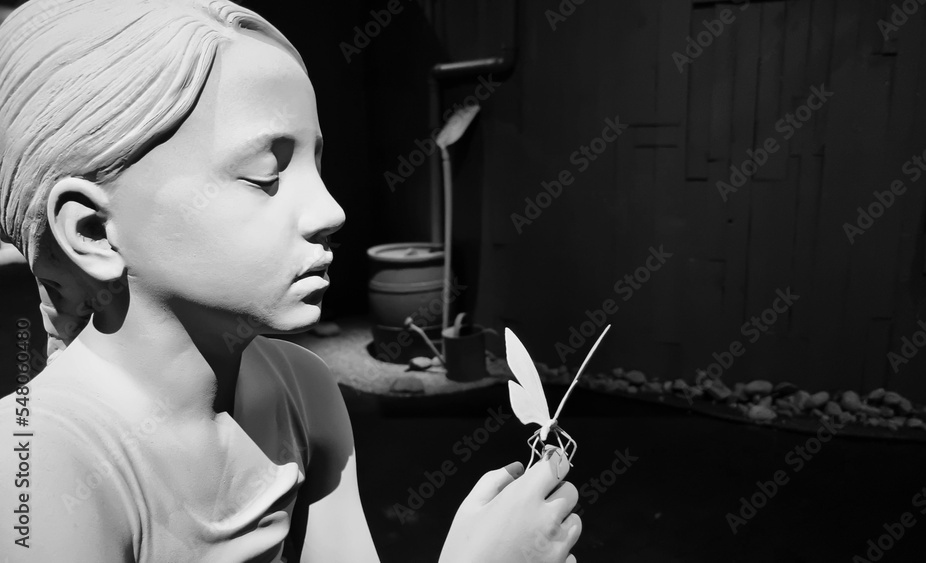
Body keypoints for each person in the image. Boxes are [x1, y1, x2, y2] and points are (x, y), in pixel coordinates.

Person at [0, 0, 582, 560]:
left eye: (317, 164)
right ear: (94, 231)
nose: (332, 210)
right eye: (266, 174)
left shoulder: (301, 388)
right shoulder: (35, 466)